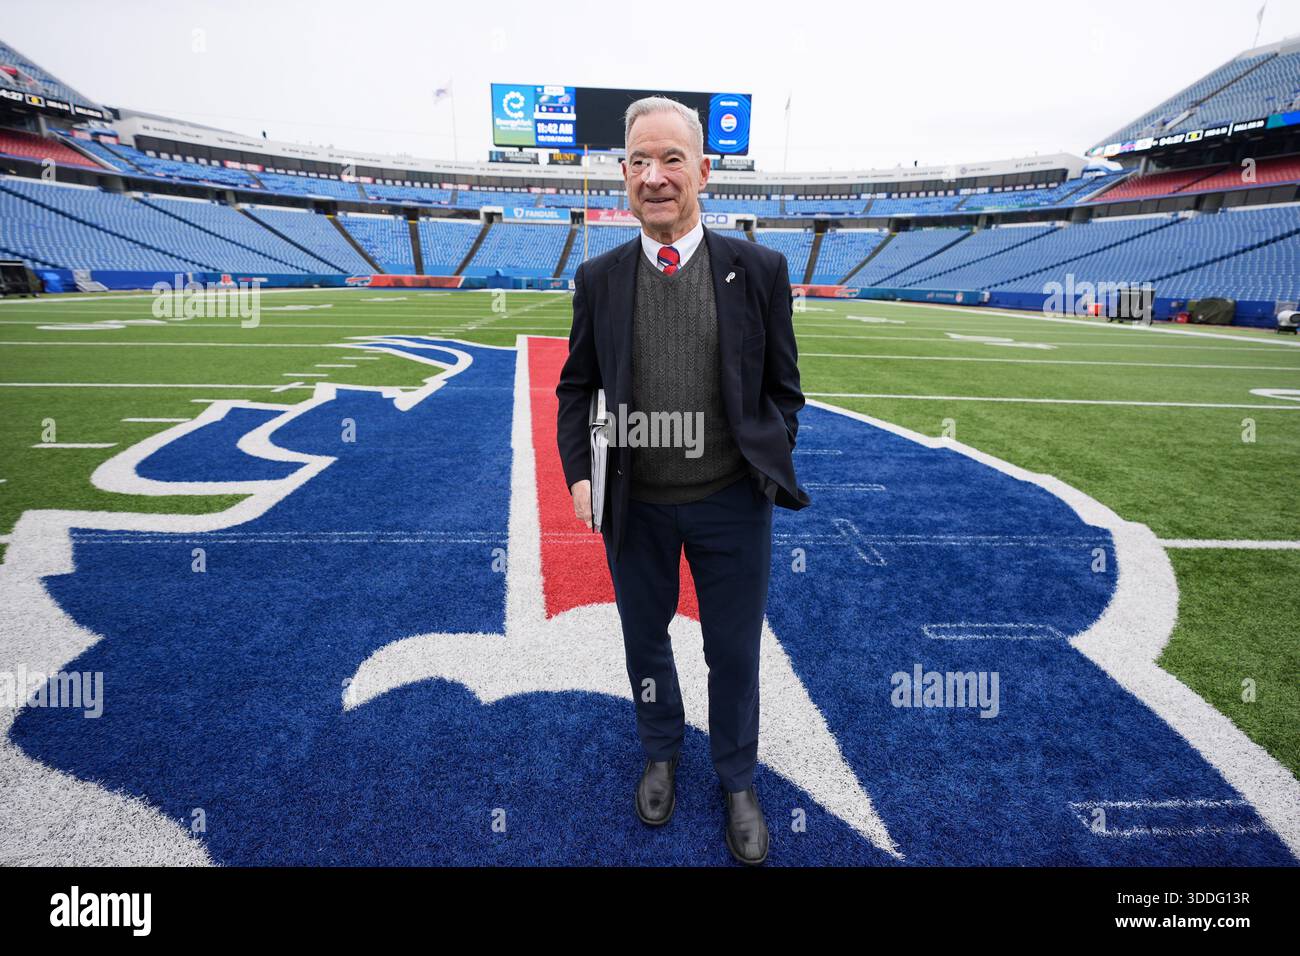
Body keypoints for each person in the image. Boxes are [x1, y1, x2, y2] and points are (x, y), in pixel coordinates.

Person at [554, 96, 809, 865]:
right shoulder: (599, 277)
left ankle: (737, 779)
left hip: (733, 501)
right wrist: (577, 473)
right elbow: (576, 387)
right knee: (645, 639)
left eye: (671, 160)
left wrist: (765, 456)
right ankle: (661, 750)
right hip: (639, 504)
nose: (655, 177)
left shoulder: (758, 269)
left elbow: (784, 389)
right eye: (639, 161)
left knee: (733, 652)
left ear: (704, 171)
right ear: (622, 175)